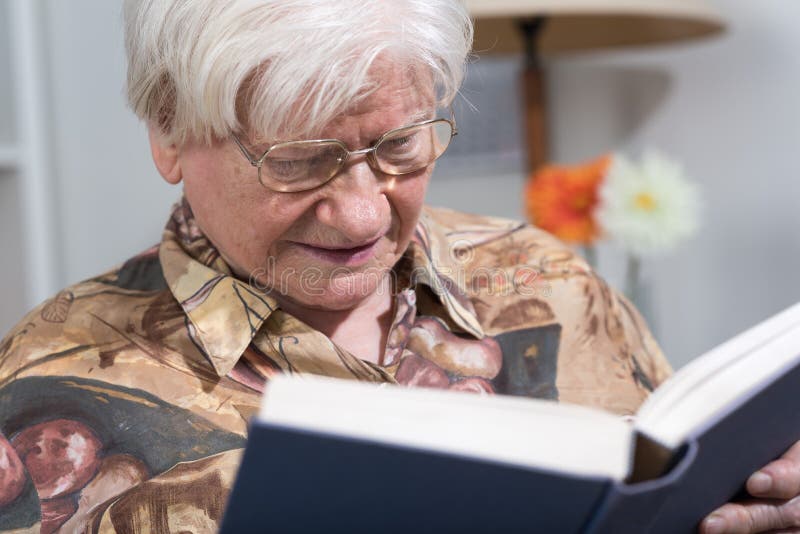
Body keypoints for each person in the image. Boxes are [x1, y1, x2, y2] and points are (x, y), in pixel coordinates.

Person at [0, 1, 796, 532]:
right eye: (300, 160)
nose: (364, 213)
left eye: (399, 147)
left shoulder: (550, 279)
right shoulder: (43, 390)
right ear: (169, 133)